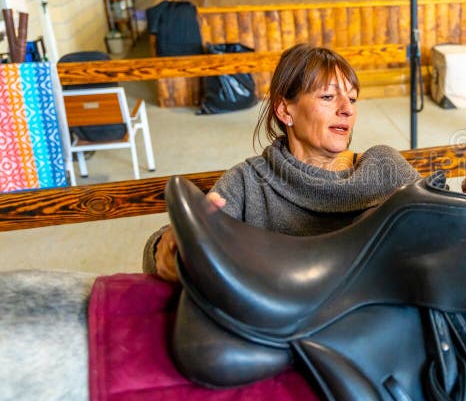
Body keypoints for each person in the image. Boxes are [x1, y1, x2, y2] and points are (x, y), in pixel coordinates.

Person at [143, 43, 422, 281]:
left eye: (352, 98)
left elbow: (448, 224)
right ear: (285, 110)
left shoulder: (384, 166)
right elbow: (167, 248)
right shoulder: (249, 182)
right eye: (327, 96)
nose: (347, 109)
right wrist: (168, 248)